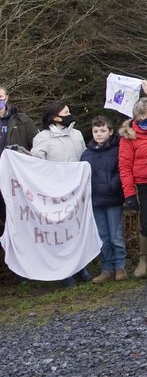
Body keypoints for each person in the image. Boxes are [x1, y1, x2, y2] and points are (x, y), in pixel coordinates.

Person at [32, 101, 90, 285]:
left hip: (77, 190)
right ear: (56, 117)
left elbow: (83, 157)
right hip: (56, 192)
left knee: (77, 230)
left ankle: (81, 267)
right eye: (66, 112)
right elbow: (36, 162)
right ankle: (65, 272)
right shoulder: (43, 137)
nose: (69, 114)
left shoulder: (77, 134)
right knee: (61, 233)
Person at [119, 98, 147, 278]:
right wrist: (130, 193)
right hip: (145, 185)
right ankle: (143, 260)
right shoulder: (129, 135)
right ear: (140, 116)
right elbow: (125, 166)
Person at [80, 116, 126, 283]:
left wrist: (113, 184)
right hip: (95, 200)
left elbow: (123, 169)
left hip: (113, 198)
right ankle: (107, 268)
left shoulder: (119, 148)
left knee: (115, 235)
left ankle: (120, 266)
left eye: (103, 131)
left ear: (110, 131)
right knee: (102, 236)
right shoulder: (86, 153)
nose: (99, 134)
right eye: (96, 131)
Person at [0, 86, 38, 234]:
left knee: (15, 216)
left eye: (1, 97)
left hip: (14, 178)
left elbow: (37, 143)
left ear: (7, 98)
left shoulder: (21, 120)